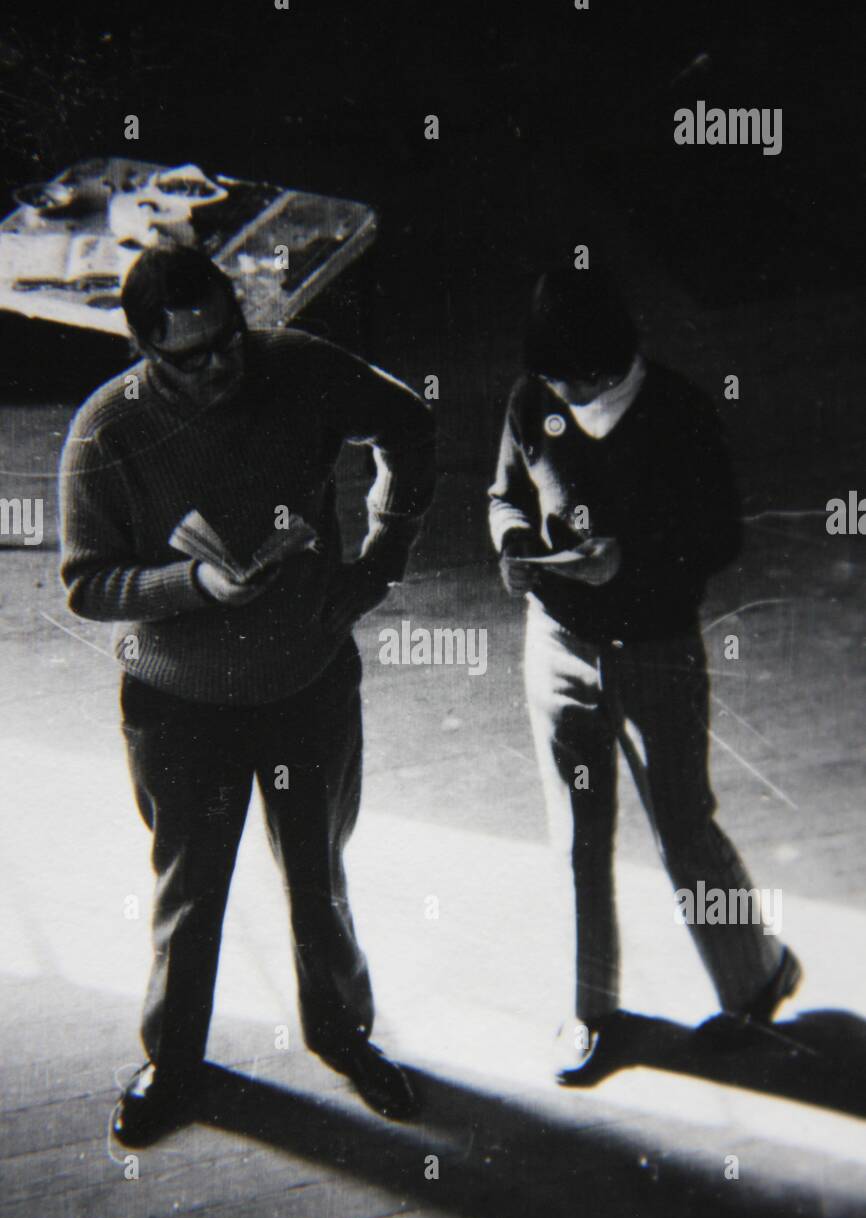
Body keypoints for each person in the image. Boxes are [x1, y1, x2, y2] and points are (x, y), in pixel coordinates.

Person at [59, 246, 435, 1143]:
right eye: (189, 356)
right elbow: (86, 583)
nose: (221, 364)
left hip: (306, 684)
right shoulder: (107, 432)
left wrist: (383, 558)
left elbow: (408, 426)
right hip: (179, 707)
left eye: (227, 337)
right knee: (191, 892)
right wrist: (189, 585)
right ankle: (174, 1063)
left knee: (319, 876)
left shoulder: (299, 367)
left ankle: (344, 1037)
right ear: (146, 350)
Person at [488, 266, 801, 1086]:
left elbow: (721, 538)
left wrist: (632, 557)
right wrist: (513, 538)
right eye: (549, 379)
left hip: (656, 648)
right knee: (576, 841)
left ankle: (756, 978)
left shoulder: (680, 414)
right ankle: (591, 1013)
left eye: (575, 381)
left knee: (683, 827)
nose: (560, 395)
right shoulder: (533, 400)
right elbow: (504, 493)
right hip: (555, 646)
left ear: (614, 362)